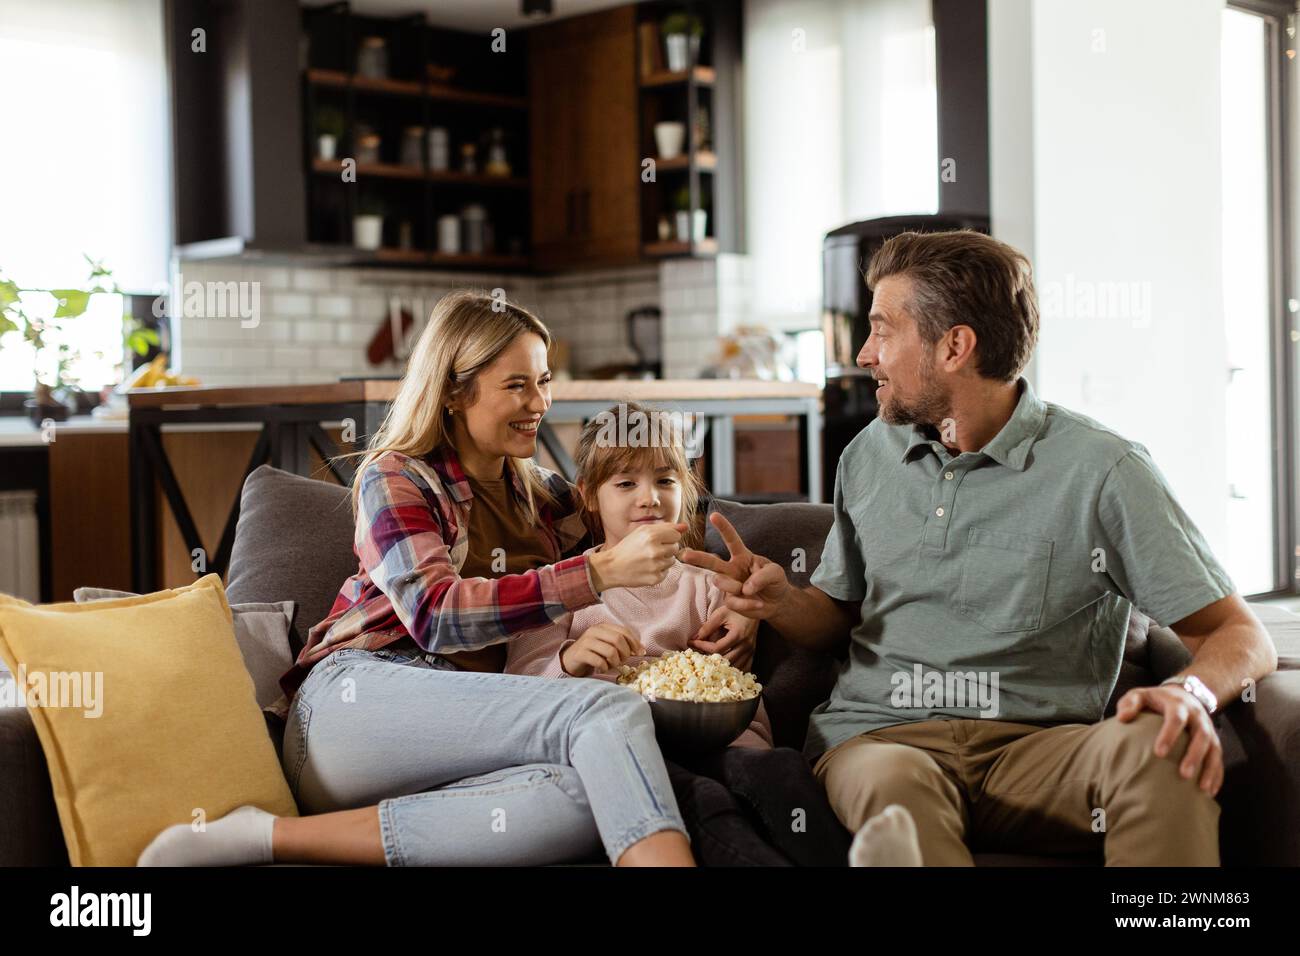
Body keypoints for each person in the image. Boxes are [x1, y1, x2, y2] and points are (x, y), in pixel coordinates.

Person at [684, 230, 1278, 866]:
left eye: (883, 331)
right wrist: (778, 599)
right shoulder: (867, 456)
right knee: (898, 801)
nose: (864, 354)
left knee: (1159, 755)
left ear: (954, 347)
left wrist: (1187, 696)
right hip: (883, 742)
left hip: (1044, 750)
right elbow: (834, 617)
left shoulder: (1103, 470)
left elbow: (1239, 636)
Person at [139, 290, 748, 866]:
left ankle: (266, 837)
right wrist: (593, 572)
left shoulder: (543, 502)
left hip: (463, 727)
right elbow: (435, 615)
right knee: (607, 713)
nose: (539, 404)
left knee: (588, 791)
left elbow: (649, 516)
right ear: (455, 393)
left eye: (543, 382)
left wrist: (744, 600)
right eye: (516, 385)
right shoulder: (395, 478)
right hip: (356, 706)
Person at [505, 401, 853, 865]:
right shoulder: (563, 587)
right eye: (626, 483)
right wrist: (571, 660)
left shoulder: (708, 584)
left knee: (781, 771)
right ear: (589, 494)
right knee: (706, 802)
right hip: (626, 754)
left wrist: (749, 611)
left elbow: (737, 691)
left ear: (685, 488)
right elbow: (519, 685)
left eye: (665, 481)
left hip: (715, 744)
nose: (648, 497)